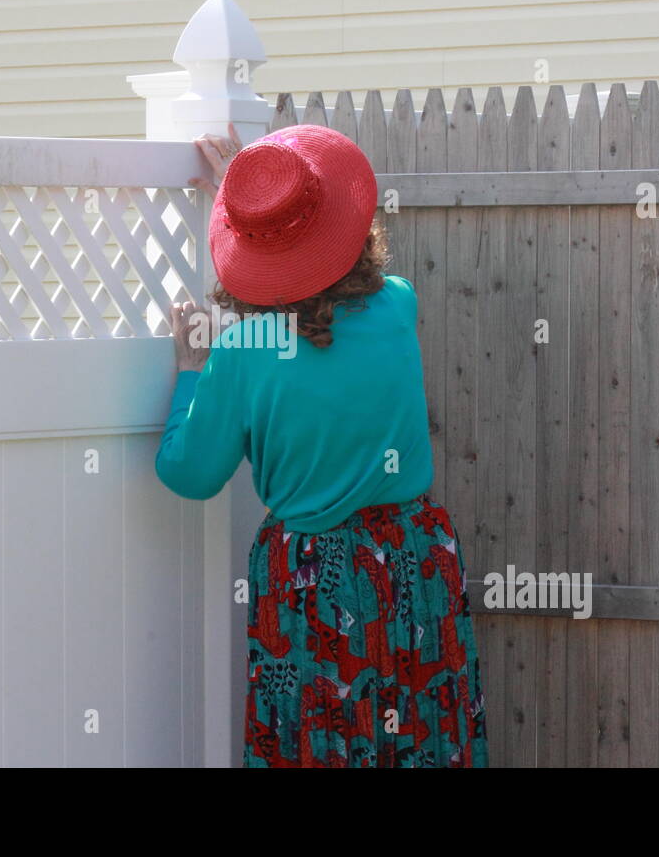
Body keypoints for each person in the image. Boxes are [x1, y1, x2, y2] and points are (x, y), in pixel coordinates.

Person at [156, 122, 488, 769]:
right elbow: (330, 283)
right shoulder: (396, 305)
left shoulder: (243, 353)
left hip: (316, 582)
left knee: (323, 745)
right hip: (416, 559)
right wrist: (265, 202)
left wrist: (192, 368)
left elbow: (190, 473)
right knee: (423, 734)